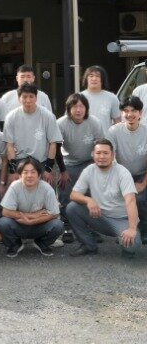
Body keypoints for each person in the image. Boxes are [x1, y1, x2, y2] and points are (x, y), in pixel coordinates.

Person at [67, 139, 141, 258]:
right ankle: (88, 245)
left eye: (106, 153)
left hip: (121, 219)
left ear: (113, 155)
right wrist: (89, 200)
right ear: (93, 154)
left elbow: (130, 200)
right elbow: (74, 195)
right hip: (99, 216)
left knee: (133, 245)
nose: (102, 156)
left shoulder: (122, 173)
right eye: (98, 153)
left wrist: (132, 228)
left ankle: (124, 241)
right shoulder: (89, 170)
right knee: (72, 208)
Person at [56, 93, 104, 243]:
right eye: (74, 106)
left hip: (89, 161)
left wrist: (98, 169)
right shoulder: (61, 123)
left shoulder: (94, 122)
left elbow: (100, 147)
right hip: (68, 162)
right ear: (68, 109)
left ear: (86, 108)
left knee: (91, 194)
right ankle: (66, 227)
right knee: (65, 194)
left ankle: (91, 227)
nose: (78, 110)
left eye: (81, 106)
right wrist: (62, 171)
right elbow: (56, 149)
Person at [0, 159, 64, 257]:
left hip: (40, 225)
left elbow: (54, 213)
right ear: (20, 175)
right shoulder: (14, 186)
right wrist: (32, 215)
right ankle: (15, 244)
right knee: (3, 222)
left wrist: (31, 221)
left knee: (58, 225)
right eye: (25, 172)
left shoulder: (46, 188)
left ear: (39, 175)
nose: (29, 175)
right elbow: (5, 212)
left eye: (33, 172)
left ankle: (41, 243)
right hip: (20, 224)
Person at [3, 83, 63, 185]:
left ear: (36, 98)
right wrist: (13, 170)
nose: (28, 100)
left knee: (47, 190)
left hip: (42, 162)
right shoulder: (11, 117)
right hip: (20, 161)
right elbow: (9, 145)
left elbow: (53, 143)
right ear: (19, 98)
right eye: (24, 97)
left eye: (31, 96)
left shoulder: (48, 116)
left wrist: (48, 169)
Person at [107, 96, 147, 243]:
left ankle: (143, 230)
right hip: (121, 175)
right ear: (122, 113)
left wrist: (143, 184)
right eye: (126, 110)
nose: (129, 114)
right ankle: (121, 230)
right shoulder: (114, 131)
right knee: (120, 200)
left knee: (141, 200)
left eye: (134, 110)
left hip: (143, 175)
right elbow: (110, 158)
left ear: (140, 112)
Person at [80, 65, 120, 132]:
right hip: (82, 137)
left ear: (102, 79)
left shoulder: (112, 98)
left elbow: (117, 122)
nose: (94, 79)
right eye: (91, 76)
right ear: (86, 78)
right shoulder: (79, 97)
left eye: (97, 76)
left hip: (105, 138)